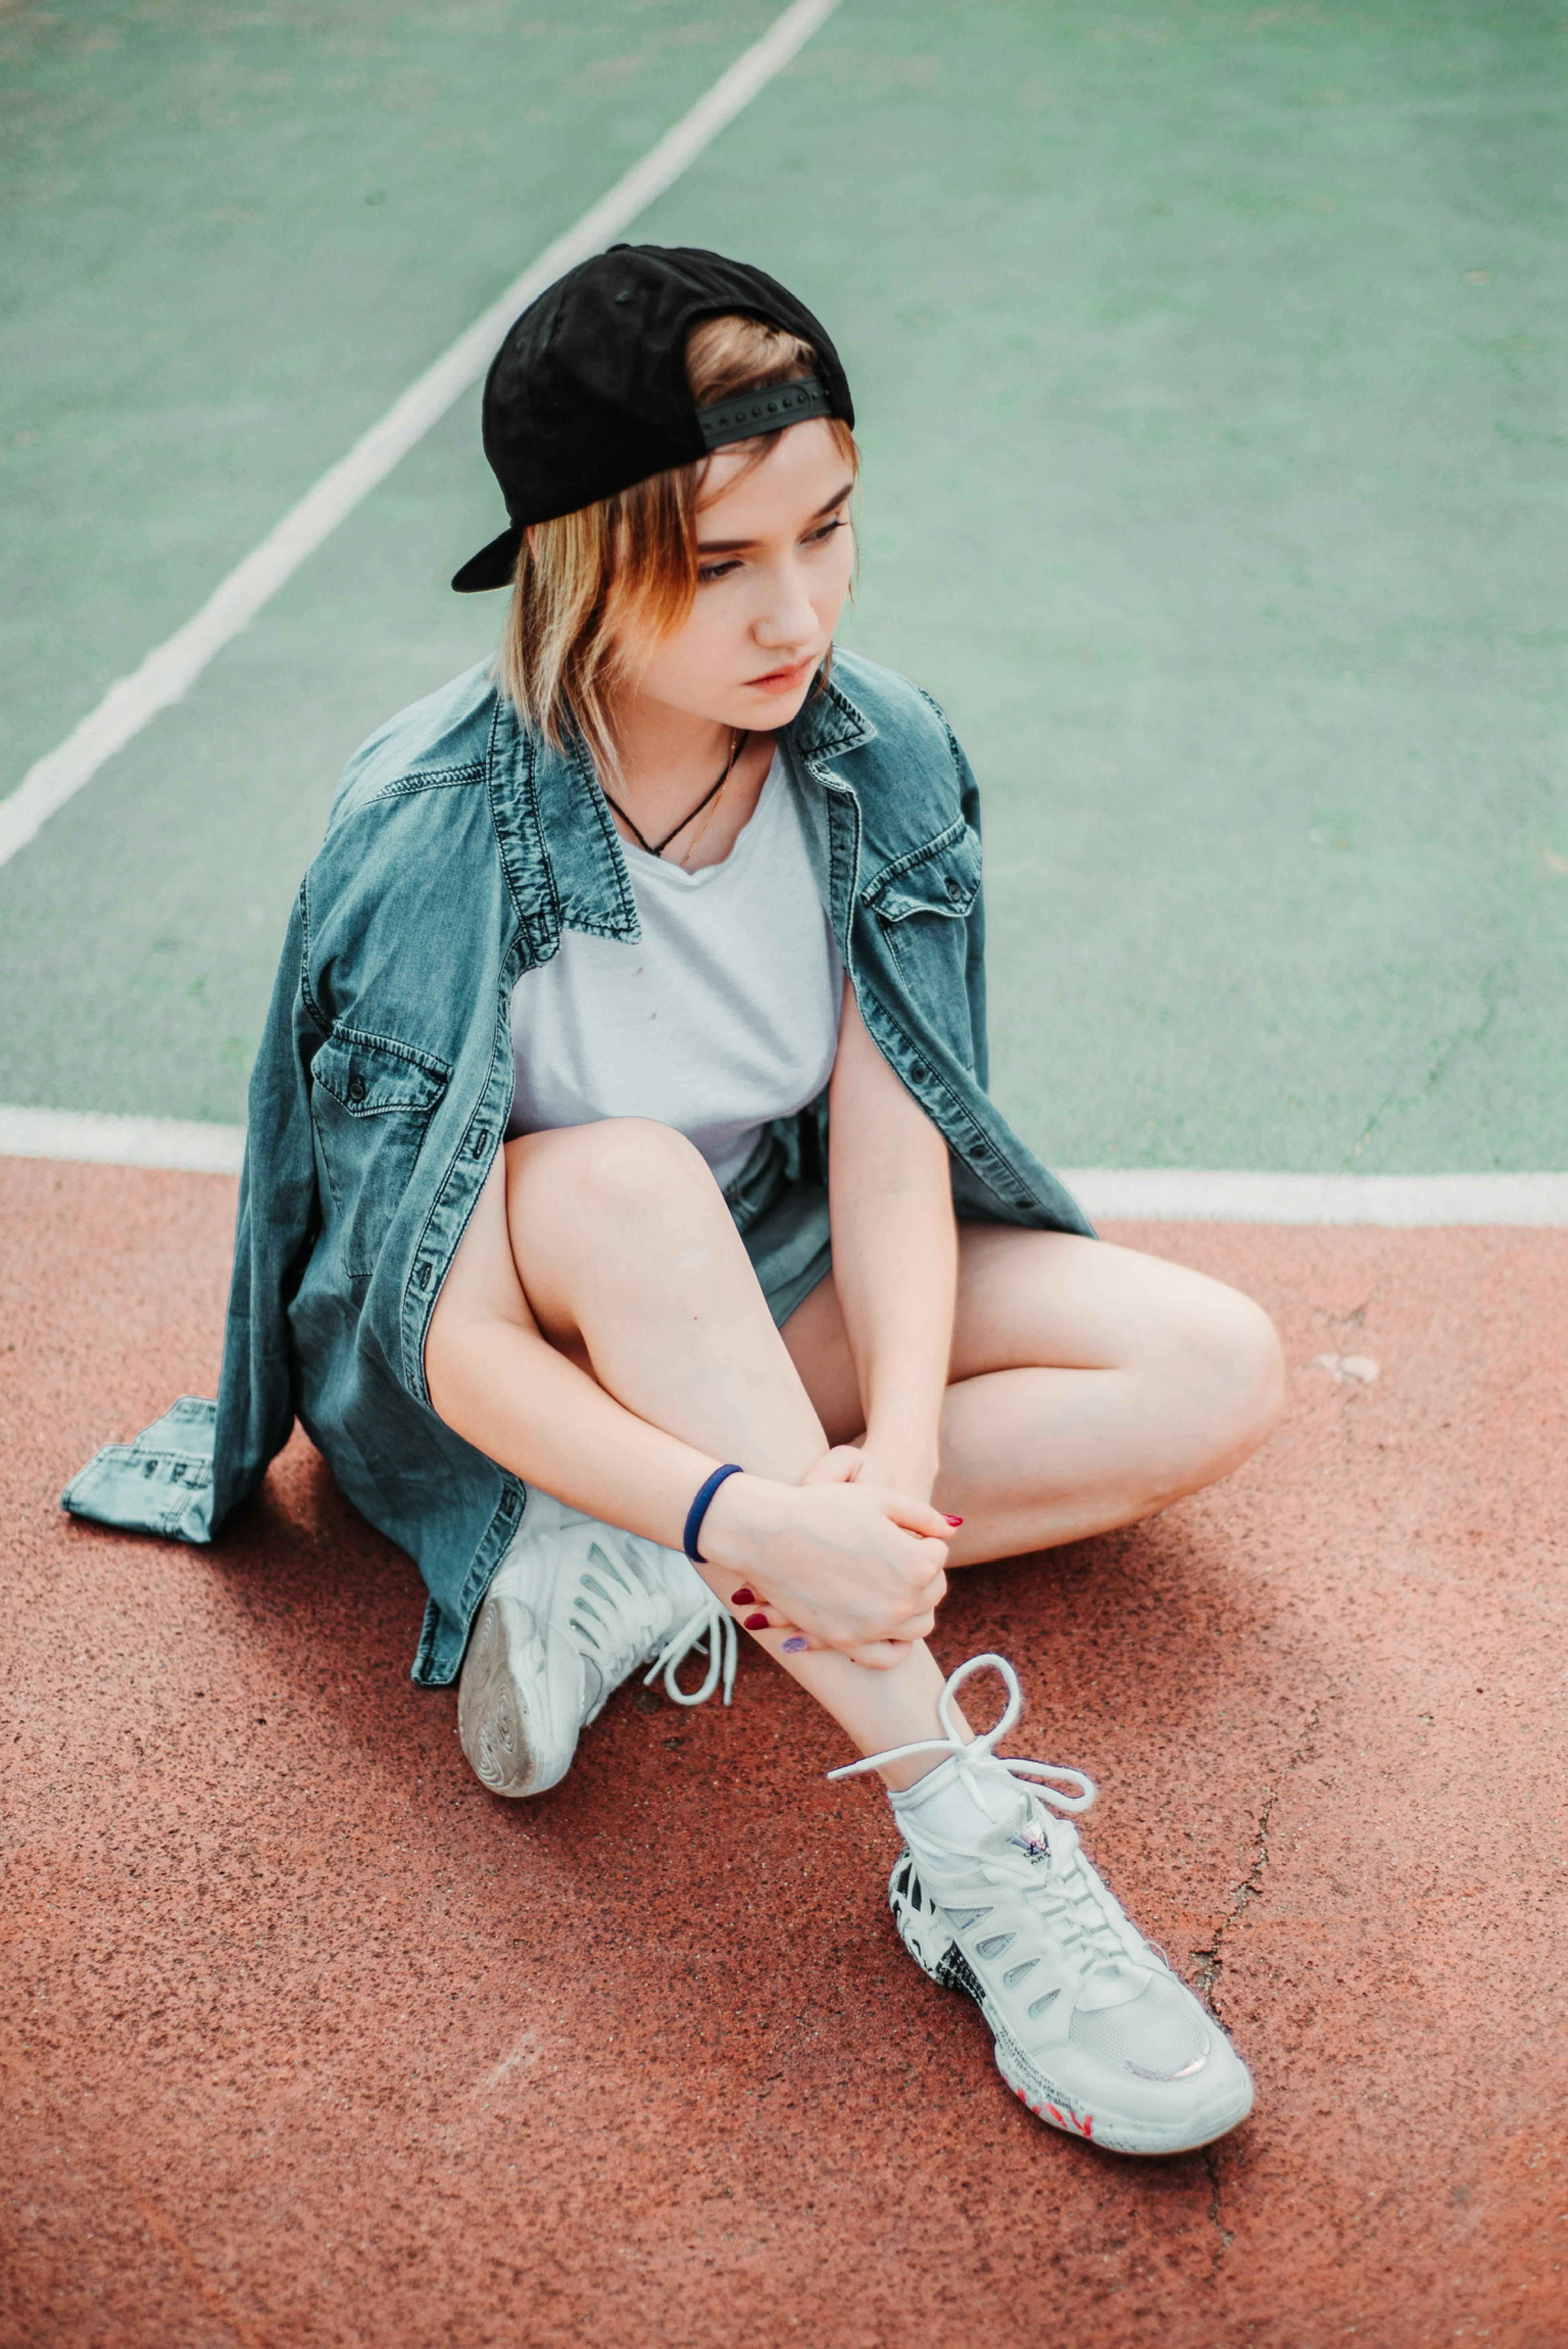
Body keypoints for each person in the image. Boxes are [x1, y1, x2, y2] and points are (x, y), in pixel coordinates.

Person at [65, 245, 1285, 2158]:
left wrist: (875, 1456)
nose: (796, 609)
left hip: (758, 1266)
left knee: (1220, 1367)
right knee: (631, 1189)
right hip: (494, 1362)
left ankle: (639, 1565)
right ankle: (968, 1850)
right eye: (722, 565)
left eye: (830, 529)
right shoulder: (427, 832)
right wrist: (758, 1511)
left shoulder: (879, 751)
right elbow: (445, 1332)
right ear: (577, 555)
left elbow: (890, 1151)